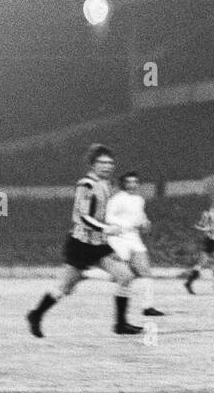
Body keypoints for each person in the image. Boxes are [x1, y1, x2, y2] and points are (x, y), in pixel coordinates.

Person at [26, 144, 144, 337]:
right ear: (92, 165)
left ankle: (120, 324)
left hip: (98, 244)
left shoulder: (107, 184)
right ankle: (36, 314)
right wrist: (106, 228)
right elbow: (82, 216)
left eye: (110, 163)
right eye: (102, 162)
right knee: (64, 288)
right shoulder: (86, 184)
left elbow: (100, 214)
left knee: (126, 276)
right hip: (80, 246)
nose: (107, 166)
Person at [105, 171, 165, 316]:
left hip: (134, 238)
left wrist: (145, 222)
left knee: (146, 272)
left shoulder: (139, 199)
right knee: (122, 275)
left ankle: (148, 307)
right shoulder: (117, 199)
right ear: (123, 184)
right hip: (119, 238)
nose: (132, 185)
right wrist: (125, 224)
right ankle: (121, 313)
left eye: (135, 182)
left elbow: (140, 215)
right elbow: (108, 217)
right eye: (129, 182)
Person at [182, 197, 214, 294]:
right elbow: (198, 225)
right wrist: (207, 229)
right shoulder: (207, 214)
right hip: (209, 240)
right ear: (212, 204)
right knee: (212, 261)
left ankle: (189, 282)